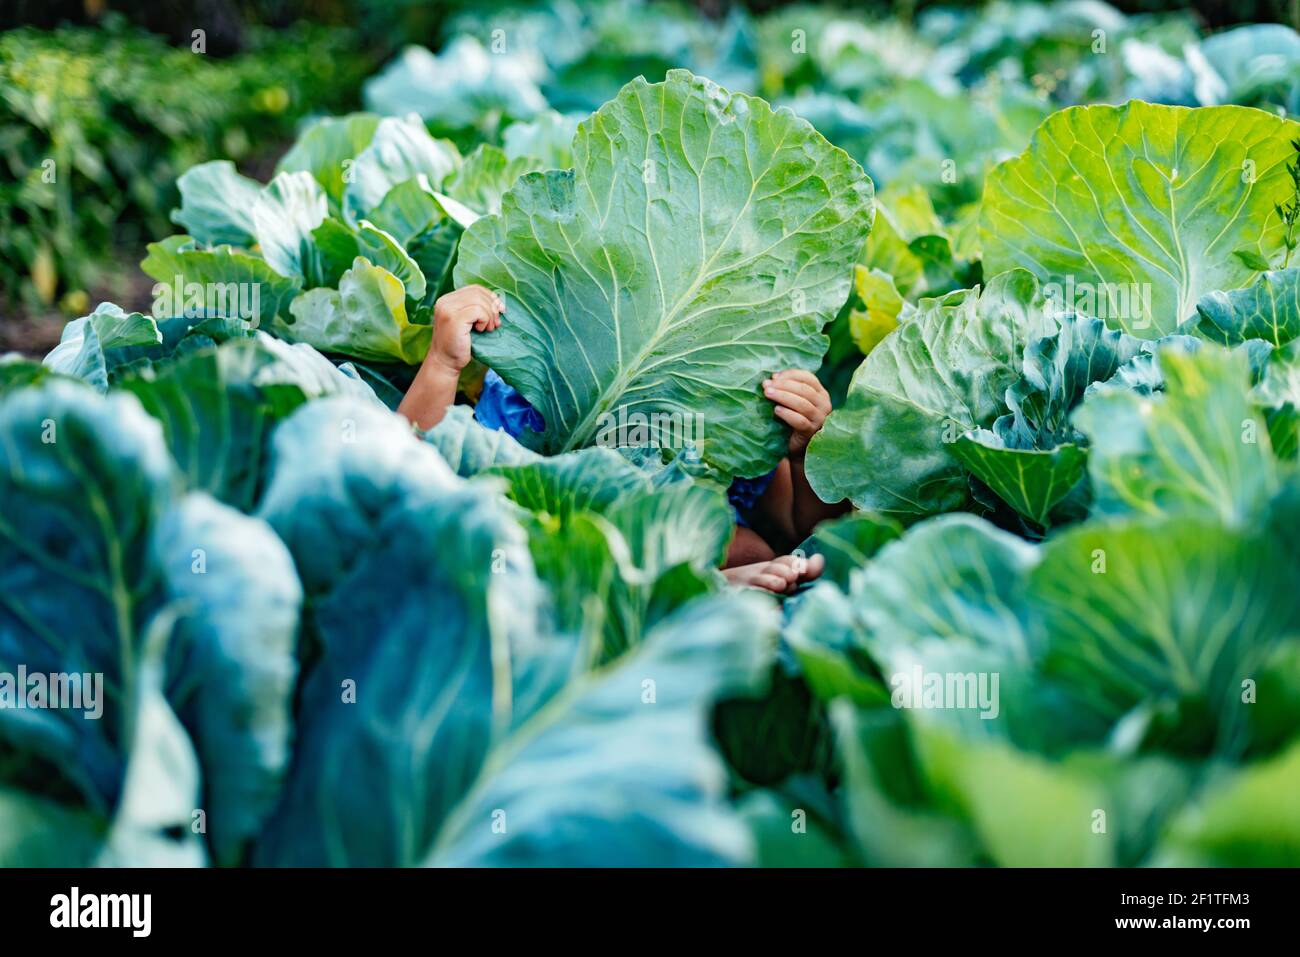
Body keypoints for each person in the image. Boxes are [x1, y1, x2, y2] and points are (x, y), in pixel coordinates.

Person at [398, 285, 848, 594]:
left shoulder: (732, 403)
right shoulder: (535, 385)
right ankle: (698, 587)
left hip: (665, 542)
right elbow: (408, 473)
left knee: (752, 548)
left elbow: (798, 528)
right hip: (543, 545)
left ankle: (700, 583)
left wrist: (809, 449)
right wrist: (442, 364)